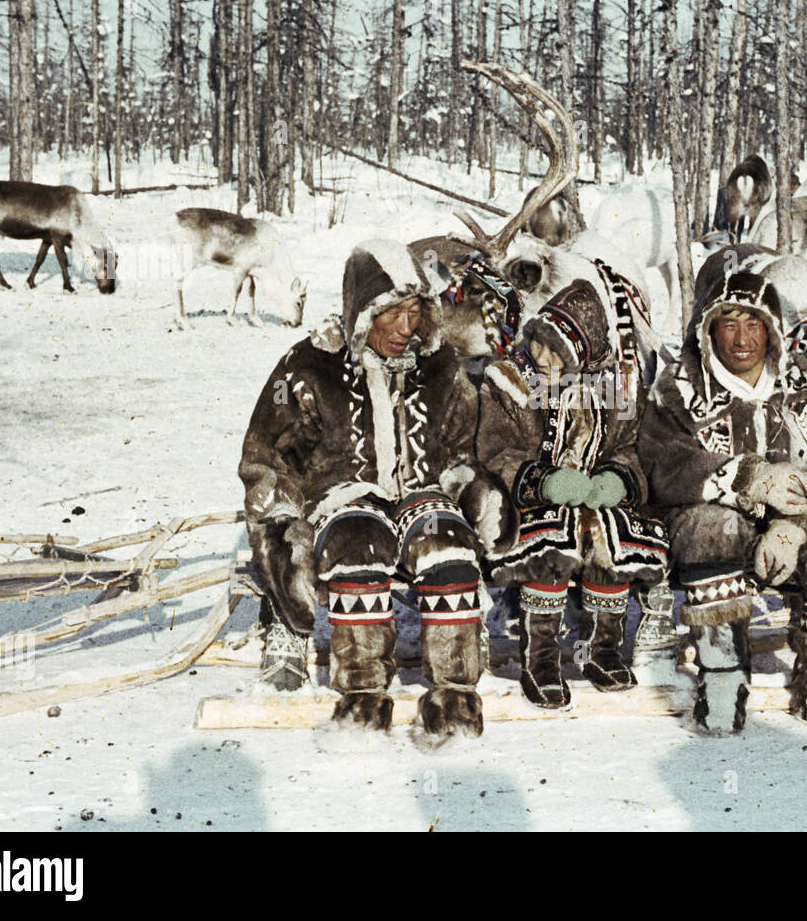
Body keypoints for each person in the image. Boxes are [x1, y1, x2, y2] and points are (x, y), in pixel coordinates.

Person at [237, 239, 508, 736]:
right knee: (355, 547)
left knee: (447, 549)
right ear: (362, 313)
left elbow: (469, 443)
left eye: (414, 311)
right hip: (342, 495)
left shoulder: (439, 364)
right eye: (391, 314)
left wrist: (472, 488)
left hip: (425, 492)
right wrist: (281, 515)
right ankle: (362, 701)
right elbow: (268, 454)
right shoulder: (309, 365)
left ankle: (455, 700)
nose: (407, 327)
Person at [638, 262, 807, 733]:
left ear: (773, 332)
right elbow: (663, 462)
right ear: (708, 329)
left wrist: (796, 527)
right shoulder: (679, 387)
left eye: (754, 323)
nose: (742, 337)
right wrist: (748, 477)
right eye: (728, 322)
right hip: (718, 537)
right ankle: (724, 675)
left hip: (797, 529)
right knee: (711, 527)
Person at [477, 279, 669, 708]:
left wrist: (618, 479)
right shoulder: (508, 382)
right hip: (524, 500)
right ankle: (540, 658)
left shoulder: (612, 391)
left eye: (557, 349)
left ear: (582, 353)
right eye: (539, 343)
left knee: (611, 529)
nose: (543, 357)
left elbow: (629, 447)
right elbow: (494, 450)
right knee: (553, 531)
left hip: (591, 496)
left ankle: (602, 649)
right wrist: (542, 481)